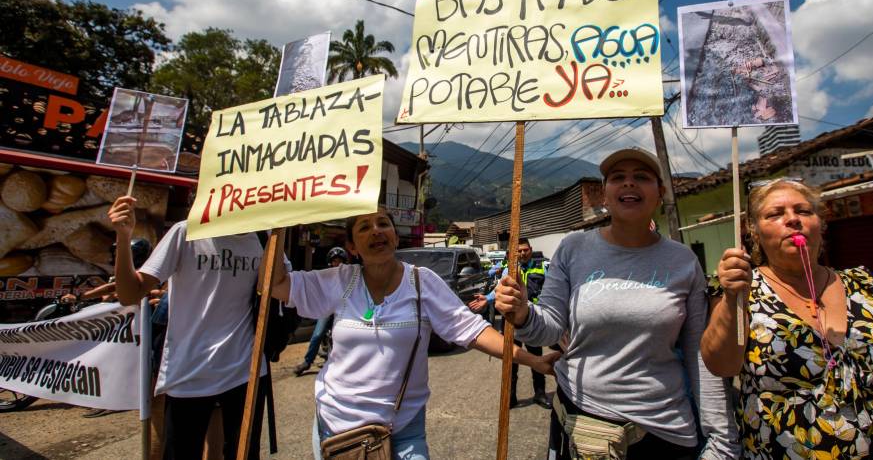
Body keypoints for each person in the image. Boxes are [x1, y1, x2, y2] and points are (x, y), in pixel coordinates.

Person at [496, 147, 739, 460]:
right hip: (585, 426)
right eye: (618, 178)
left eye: (641, 177)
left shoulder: (684, 261)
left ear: (660, 193)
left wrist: (722, 439)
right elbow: (548, 328)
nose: (629, 184)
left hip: (667, 430)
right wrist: (522, 314)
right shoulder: (573, 248)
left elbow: (699, 354)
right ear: (604, 195)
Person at [701, 178, 873, 459]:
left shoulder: (867, 287)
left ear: (821, 224)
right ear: (753, 231)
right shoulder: (740, 290)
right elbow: (722, 365)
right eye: (775, 214)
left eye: (803, 211)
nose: (792, 220)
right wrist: (732, 299)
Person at [269, 206, 559, 460]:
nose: (376, 231)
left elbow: (472, 330)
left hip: (402, 428)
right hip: (336, 426)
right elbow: (275, 284)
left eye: (383, 223)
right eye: (364, 227)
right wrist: (277, 222)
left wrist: (534, 361)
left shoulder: (422, 283)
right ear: (352, 246)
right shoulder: (339, 280)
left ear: (395, 236)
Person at [108, 195, 291, 460]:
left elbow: (280, 289)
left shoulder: (264, 239)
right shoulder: (186, 232)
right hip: (187, 374)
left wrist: (282, 227)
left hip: (246, 373)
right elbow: (130, 293)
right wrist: (123, 238)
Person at [469, 238, 550, 409]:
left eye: (525, 250)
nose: (522, 253)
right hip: (511, 322)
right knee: (510, 361)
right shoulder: (509, 269)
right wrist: (487, 299)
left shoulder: (543, 267)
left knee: (536, 359)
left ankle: (540, 394)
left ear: (531, 249)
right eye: (519, 251)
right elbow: (499, 290)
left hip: (534, 321)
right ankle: (510, 397)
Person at [293, 246, 350, 376]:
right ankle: (307, 361)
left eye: (340, 261)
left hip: (344, 310)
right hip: (327, 310)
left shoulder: (350, 275)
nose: (337, 264)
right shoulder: (325, 275)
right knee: (318, 334)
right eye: (335, 261)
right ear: (330, 262)